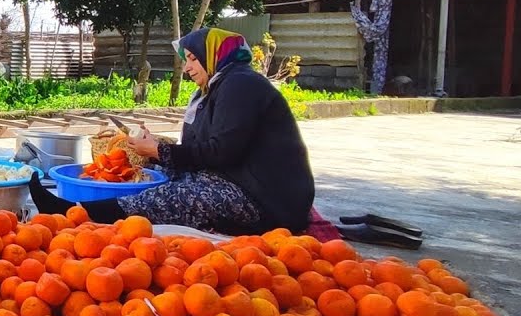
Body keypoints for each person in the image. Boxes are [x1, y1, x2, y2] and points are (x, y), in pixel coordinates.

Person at [29, 27, 315, 235]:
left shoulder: (241, 85)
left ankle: (75, 213)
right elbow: (199, 148)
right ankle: (89, 210)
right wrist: (157, 151)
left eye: (192, 58)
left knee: (175, 195)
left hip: (266, 201)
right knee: (161, 176)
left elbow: (223, 152)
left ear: (212, 55)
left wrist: (159, 150)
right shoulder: (214, 88)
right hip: (237, 179)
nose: (188, 67)